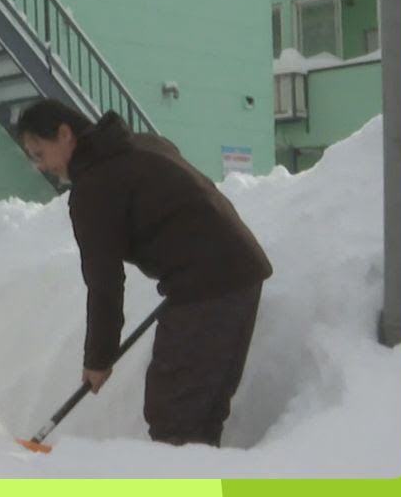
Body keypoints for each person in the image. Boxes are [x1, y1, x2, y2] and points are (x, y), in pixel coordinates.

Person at [16, 98, 273, 447]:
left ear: (64, 134)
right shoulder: (139, 145)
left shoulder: (94, 188)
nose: (40, 166)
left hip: (208, 286)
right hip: (234, 272)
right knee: (201, 413)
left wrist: (98, 359)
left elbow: (104, 282)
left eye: (39, 153)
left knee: (175, 417)